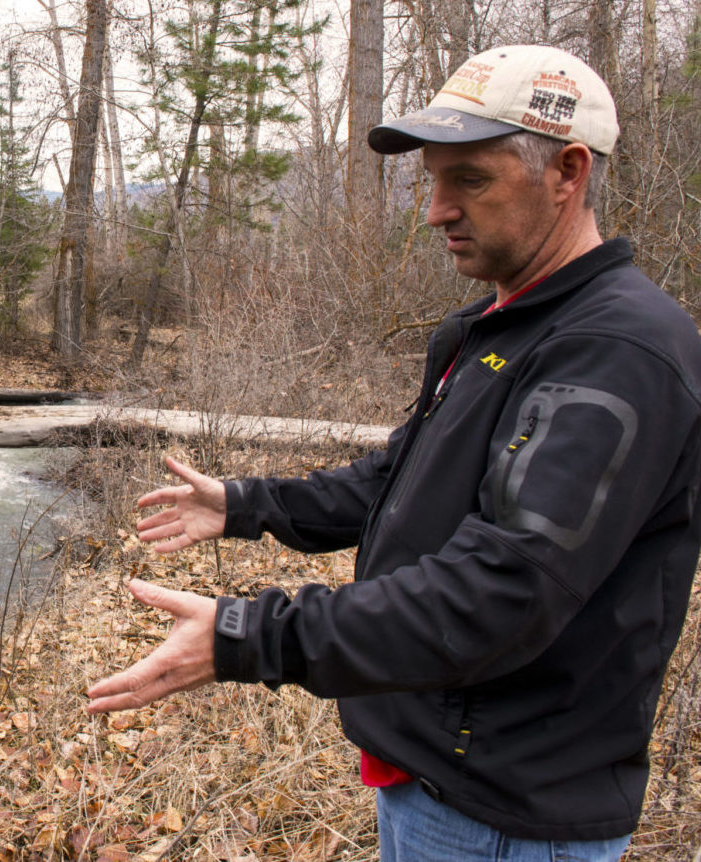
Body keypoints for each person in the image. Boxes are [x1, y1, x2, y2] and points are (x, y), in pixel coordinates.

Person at [85, 44, 701, 861]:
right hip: (437, 774)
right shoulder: (501, 326)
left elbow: (501, 593)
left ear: (569, 171)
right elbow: (398, 480)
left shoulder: (618, 351)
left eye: (469, 180)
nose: (436, 210)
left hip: (505, 815)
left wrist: (249, 635)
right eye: (432, 180)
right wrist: (243, 504)